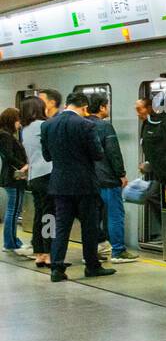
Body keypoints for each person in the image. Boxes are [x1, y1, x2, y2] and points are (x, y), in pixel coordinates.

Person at [41, 91, 114, 282]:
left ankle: (57, 268)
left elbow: (47, 156)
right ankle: (92, 266)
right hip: (84, 185)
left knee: (61, 227)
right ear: (84, 107)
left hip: (59, 185)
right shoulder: (86, 125)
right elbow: (97, 154)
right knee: (89, 227)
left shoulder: (48, 125)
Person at [87, 95, 137, 263]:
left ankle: (91, 253)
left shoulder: (82, 125)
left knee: (93, 217)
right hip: (107, 179)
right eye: (106, 106)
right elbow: (113, 153)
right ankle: (118, 251)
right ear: (102, 107)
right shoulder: (105, 127)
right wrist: (121, 174)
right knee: (115, 215)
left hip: (89, 180)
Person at [19, 98, 52, 268]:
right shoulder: (42, 125)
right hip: (47, 174)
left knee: (39, 214)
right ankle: (48, 252)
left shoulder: (25, 129)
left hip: (34, 176)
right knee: (49, 215)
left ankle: (39, 252)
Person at [1, 107, 30, 255]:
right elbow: (8, 156)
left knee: (13, 209)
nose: (19, 123)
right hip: (14, 178)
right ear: (12, 120)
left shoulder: (6, 135)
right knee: (13, 211)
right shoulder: (5, 136)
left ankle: (12, 241)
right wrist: (23, 166)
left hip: (11, 177)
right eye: (18, 119)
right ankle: (10, 243)